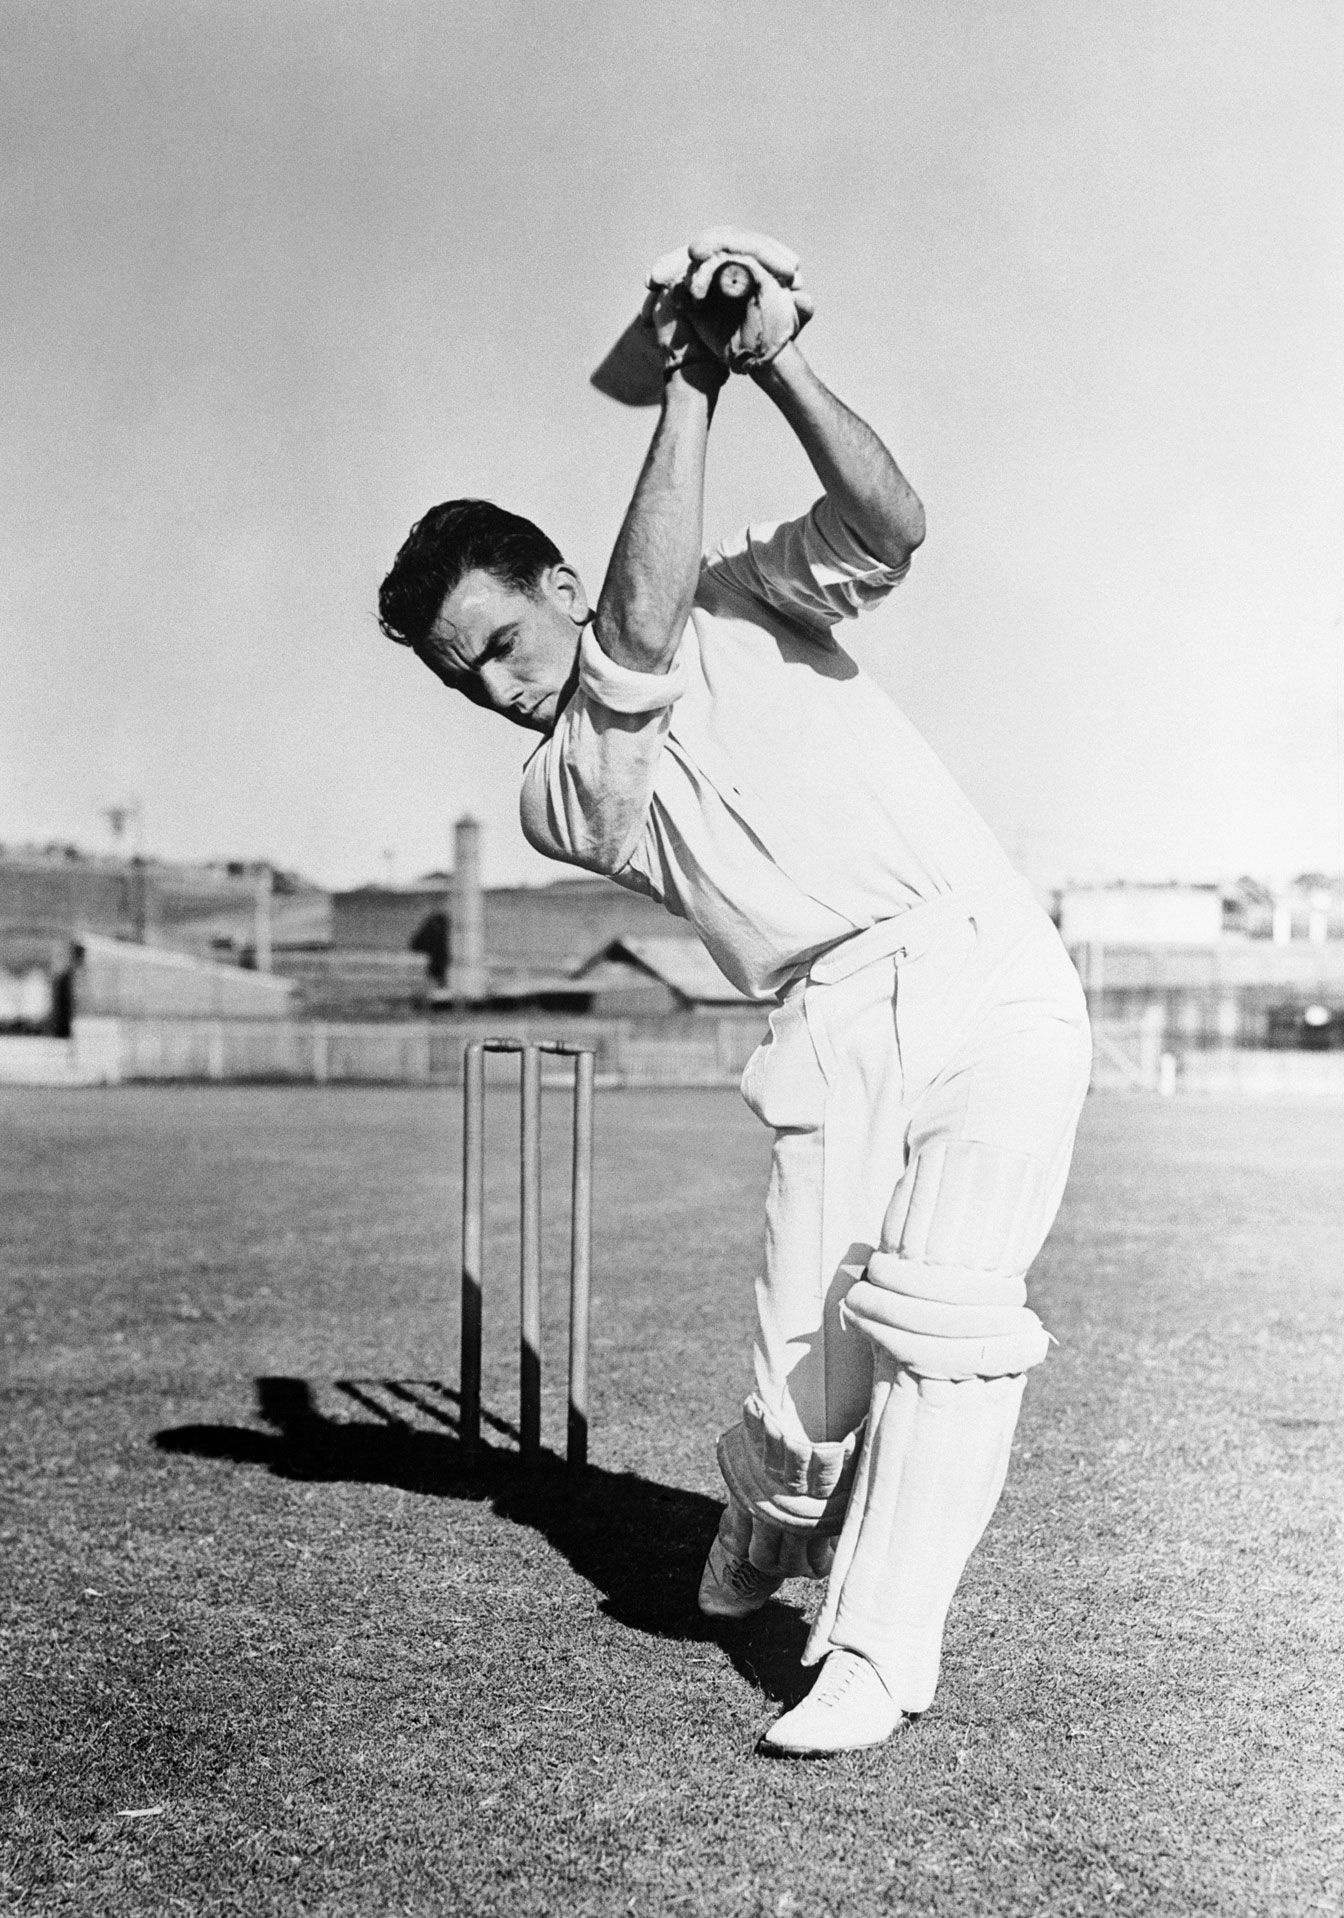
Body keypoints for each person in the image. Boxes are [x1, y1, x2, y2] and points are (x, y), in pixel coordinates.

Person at [378, 228, 1092, 1757]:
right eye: (465, 678)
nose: (495, 687)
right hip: (832, 1019)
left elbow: (892, 525)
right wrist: (687, 382)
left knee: (950, 1313)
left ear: (551, 579)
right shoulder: (561, 790)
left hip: (992, 960)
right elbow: (629, 649)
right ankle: (764, 1522)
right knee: (799, 1418)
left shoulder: (748, 592)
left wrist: (775, 359)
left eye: (499, 641)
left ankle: (879, 1653)